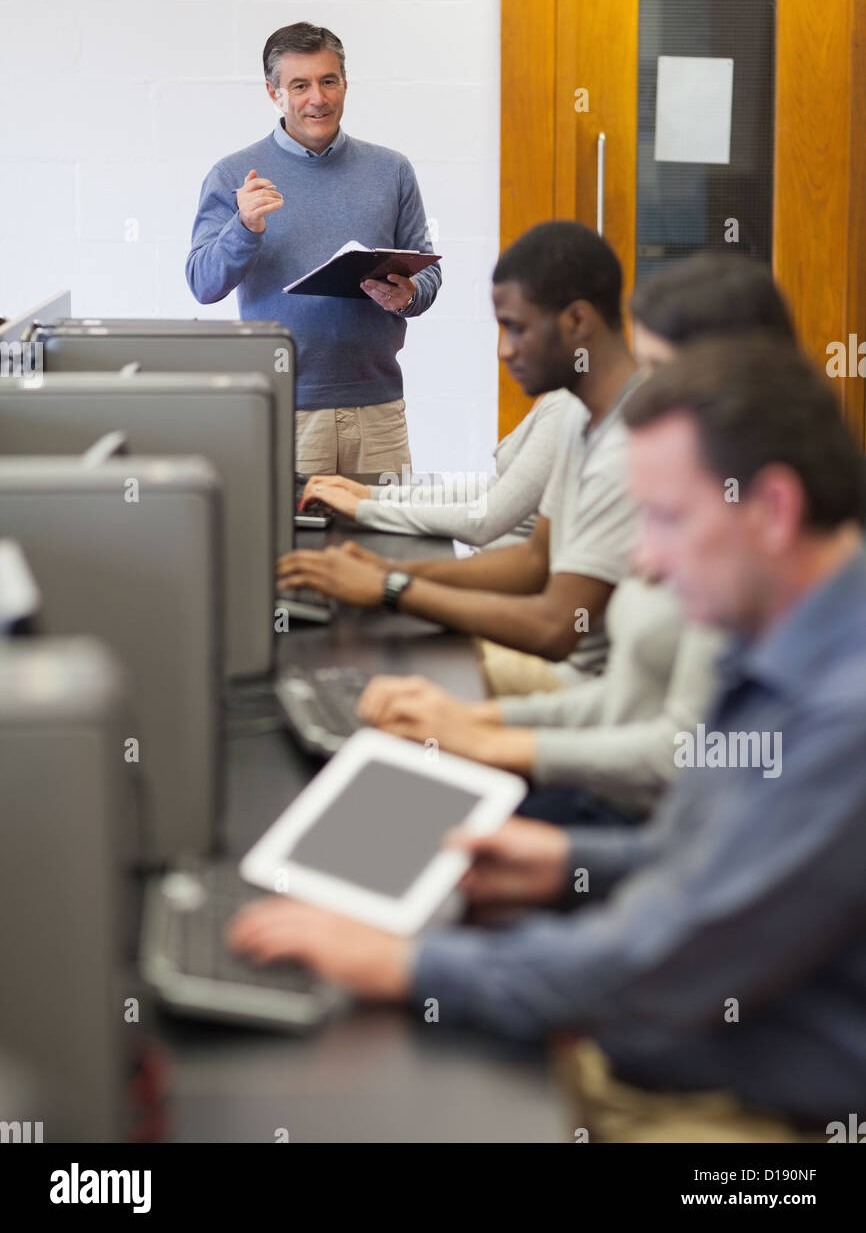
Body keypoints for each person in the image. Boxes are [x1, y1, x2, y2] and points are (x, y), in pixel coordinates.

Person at [229, 339, 866, 1137]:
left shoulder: (843, 714)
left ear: (772, 511)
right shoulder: (773, 638)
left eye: (667, 519)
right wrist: (566, 863)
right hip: (684, 1046)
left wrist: (413, 966)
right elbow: (717, 856)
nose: (647, 561)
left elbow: (664, 955)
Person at [353, 251, 798, 823]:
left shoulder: (747, 529)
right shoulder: (654, 467)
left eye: (661, 373)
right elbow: (620, 700)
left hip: (638, 813)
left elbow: (676, 754)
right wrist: (477, 725)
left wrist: (393, 586)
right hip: (615, 782)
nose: (645, 396)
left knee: (409, 817)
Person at [278, 220, 642, 696]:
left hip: (573, 683)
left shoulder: (625, 442)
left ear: (576, 322)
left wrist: (390, 587)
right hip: (549, 658)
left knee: (353, 675)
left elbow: (554, 629)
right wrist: (385, 571)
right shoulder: (581, 416)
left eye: (516, 329)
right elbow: (532, 562)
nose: (503, 350)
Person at [185, 21, 441, 475]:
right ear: (273, 93)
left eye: (328, 81)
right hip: (286, 412)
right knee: (290, 544)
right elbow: (203, 284)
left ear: (345, 84)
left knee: (382, 543)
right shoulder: (234, 175)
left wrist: (410, 294)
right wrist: (244, 226)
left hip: (378, 409)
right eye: (299, 85)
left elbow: (427, 268)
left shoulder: (392, 170)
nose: (317, 99)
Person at [297, 389, 579, 550]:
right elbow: (493, 491)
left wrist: (364, 509)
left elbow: (482, 521)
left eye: (520, 328)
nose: (505, 350)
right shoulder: (560, 399)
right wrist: (371, 495)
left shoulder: (569, 408)